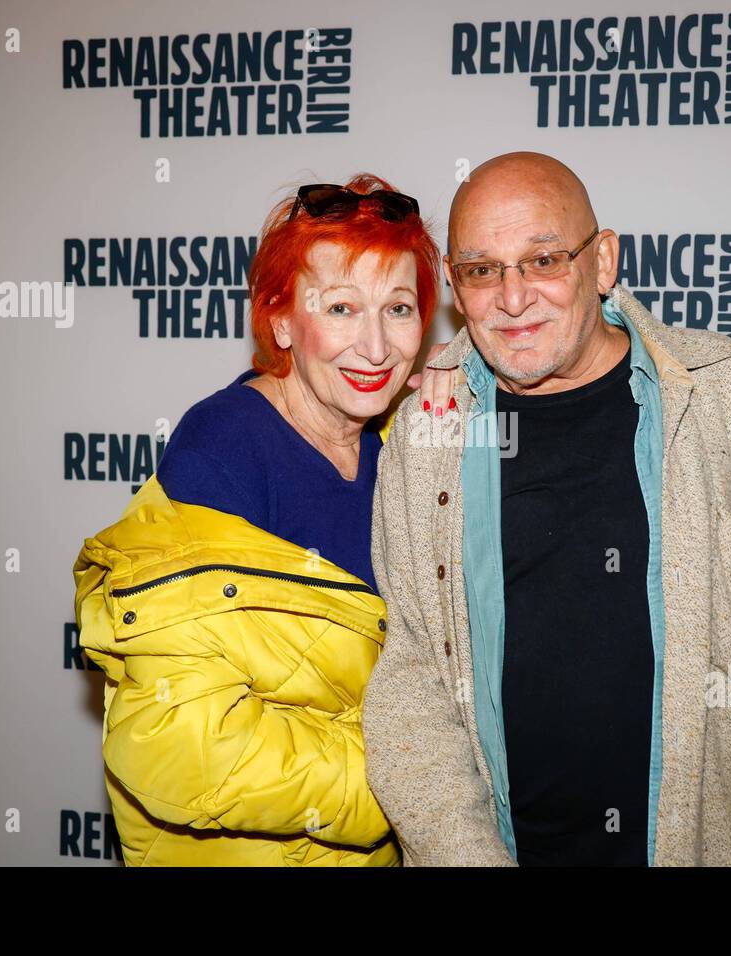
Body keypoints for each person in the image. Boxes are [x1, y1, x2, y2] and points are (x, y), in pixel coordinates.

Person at [361, 151, 731, 866]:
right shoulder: (428, 430)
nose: (513, 298)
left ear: (603, 261)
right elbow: (413, 689)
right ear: (455, 284)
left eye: (544, 260)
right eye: (482, 270)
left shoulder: (719, 392)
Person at [72, 174, 455, 866]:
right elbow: (183, 742)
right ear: (281, 322)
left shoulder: (392, 446)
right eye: (341, 307)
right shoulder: (224, 449)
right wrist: (415, 790)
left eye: (398, 308)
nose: (376, 346)